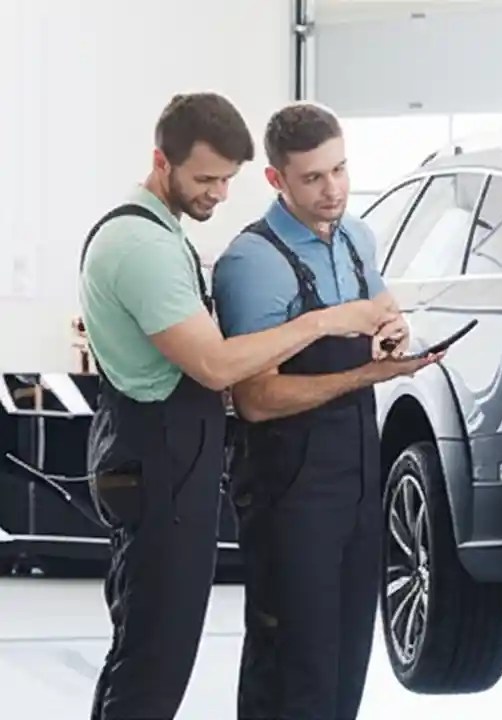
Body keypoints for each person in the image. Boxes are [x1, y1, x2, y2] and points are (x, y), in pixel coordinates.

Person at [78, 93, 400, 720]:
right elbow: (222, 367)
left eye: (227, 178)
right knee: (154, 668)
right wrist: (331, 324)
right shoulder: (142, 245)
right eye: (206, 178)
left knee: (151, 661)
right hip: (159, 466)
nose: (220, 194)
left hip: (179, 465)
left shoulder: (165, 235)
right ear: (160, 162)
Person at [212, 101, 439, 720]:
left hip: (359, 480)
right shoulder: (251, 263)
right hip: (291, 492)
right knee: (294, 672)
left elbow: (386, 308)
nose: (333, 189)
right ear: (275, 180)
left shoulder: (356, 236)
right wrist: (365, 371)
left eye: (339, 169)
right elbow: (255, 399)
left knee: (345, 671)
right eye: (312, 178)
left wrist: (396, 332)